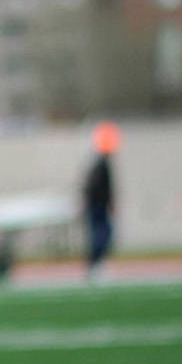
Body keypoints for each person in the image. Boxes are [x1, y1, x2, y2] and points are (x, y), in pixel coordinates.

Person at [83, 120, 120, 281]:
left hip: (97, 207)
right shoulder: (100, 164)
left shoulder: (100, 163)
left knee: (102, 234)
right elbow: (98, 188)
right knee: (101, 235)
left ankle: (96, 264)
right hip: (97, 207)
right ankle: (95, 265)